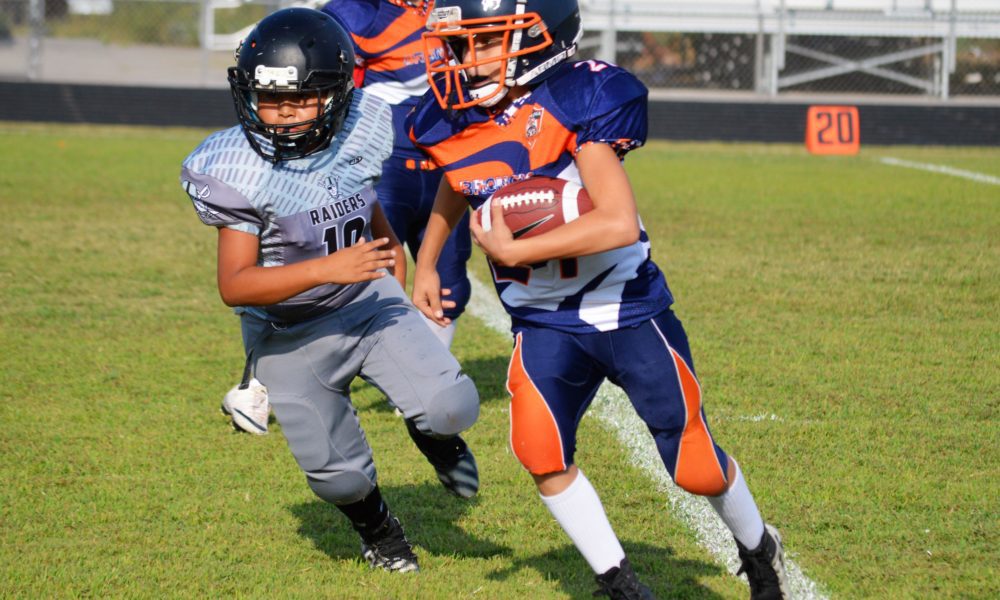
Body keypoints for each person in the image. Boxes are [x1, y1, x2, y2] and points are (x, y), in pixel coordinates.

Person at [407, 1, 789, 598]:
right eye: (462, 45)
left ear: (540, 38)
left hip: (626, 308)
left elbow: (616, 222)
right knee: (541, 452)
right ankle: (621, 586)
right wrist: (427, 259)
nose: (468, 60)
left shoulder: (577, 101)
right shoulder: (451, 120)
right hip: (542, 322)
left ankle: (759, 547)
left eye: (486, 42)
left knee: (696, 469)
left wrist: (516, 254)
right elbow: (460, 179)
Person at [180, 7, 480, 573]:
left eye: (301, 98)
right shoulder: (236, 167)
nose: (284, 114)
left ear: (338, 94)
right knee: (336, 474)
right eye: (270, 100)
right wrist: (328, 268)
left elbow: (368, 206)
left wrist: (396, 259)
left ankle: (435, 440)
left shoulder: (361, 127)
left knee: (452, 406)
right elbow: (234, 284)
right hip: (287, 330)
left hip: (365, 304)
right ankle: (380, 531)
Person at [321, 0, 471, 350]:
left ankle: (428, 380)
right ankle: (316, 372)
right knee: (368, 278)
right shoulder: (359, 13)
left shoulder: (463, 7)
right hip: (383, 168)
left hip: (449, 162)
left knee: (449, 284)